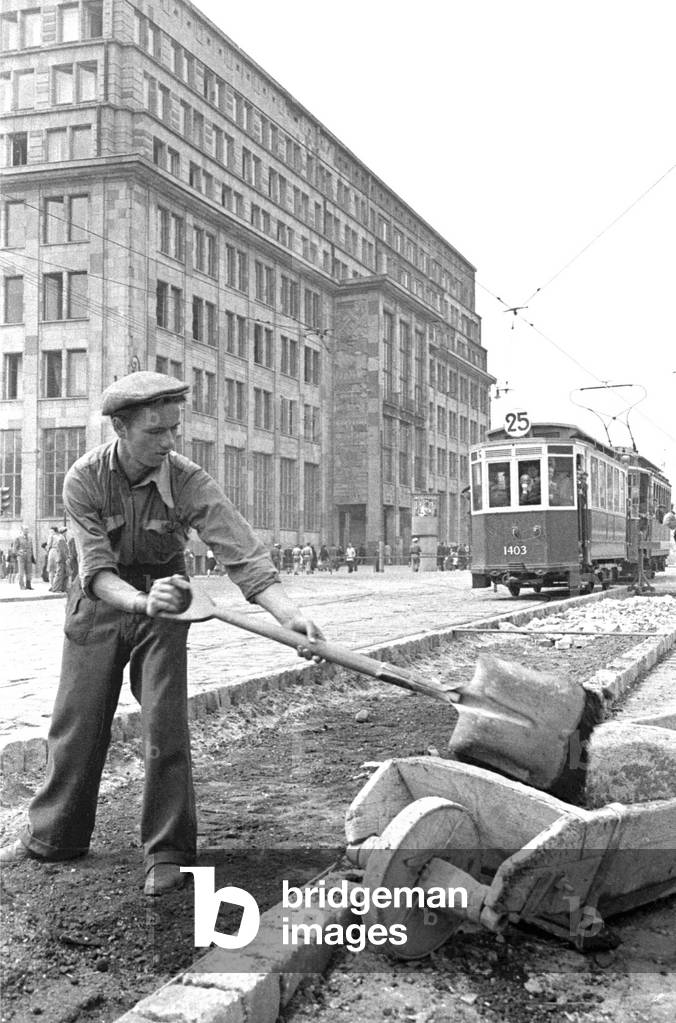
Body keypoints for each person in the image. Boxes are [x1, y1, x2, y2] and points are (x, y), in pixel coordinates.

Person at [0, 372, 323, 896]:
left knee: (164, 724)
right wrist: (138, 600)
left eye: (174, 429)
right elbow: (96, 572)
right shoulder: (84, 478)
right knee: (76, 724)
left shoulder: (189, 480)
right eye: (156, 431)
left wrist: (291, 617)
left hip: (169, 603)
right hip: (99, 605)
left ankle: (168, 851)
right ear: (120, 428)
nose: (169, 441)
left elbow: (243, 554)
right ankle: (54, 836)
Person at [14, 526, 35, 590]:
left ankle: (28, 585)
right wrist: (19, 553)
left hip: (29, 557)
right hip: (21, 558)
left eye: (27, 529)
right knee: (21, 572)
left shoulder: (30, 538)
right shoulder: (18, 538)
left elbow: (31, 548)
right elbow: (15, 549)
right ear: (22, 530)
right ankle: (22, 586)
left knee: (29, 572)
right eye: (25, 529)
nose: (27, 531)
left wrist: (32, 556)